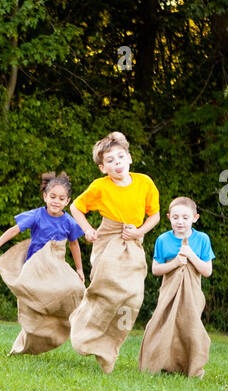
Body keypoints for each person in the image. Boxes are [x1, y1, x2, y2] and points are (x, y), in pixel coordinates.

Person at [67, 131, 160, 372]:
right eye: (110, 160)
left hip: (133, 242)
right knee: (106, 289)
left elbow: (155, 215)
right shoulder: (100, 186)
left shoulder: (145, 183)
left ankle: (109, 348)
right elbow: (76, 207)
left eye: (120, 157)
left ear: (129, 158)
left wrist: (139, 232)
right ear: (102, 167)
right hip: (108, 240)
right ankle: (84, 328)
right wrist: (87, 229)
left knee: (133, 297)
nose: (116, 163)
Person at [0, 172, 86, 355]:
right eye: (52, 196)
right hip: (35, 267)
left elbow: (74, 244)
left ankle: (73, 324)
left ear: (68, 201)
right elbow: (14, 230)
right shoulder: (37, 215)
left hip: (56, 266)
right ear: (45, 196)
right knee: (33, 306)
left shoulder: (69, 222)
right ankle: (26, 340)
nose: (56, 201)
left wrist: (79, 269)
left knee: (75, 289)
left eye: (61, 198)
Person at [138, 196, 214, 377]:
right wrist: (175, 263)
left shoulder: (202, 239)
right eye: (175, 217)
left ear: (195, 218)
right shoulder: (163, 240)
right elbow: (156, 269)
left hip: (192, 293)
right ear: (169, 217)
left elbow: (207, 271)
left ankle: (191, 367)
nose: (180, 222)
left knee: (190, 328)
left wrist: (191, 256)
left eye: (185, 218)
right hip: (169, 291)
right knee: (162, 325)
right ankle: (158, 363)